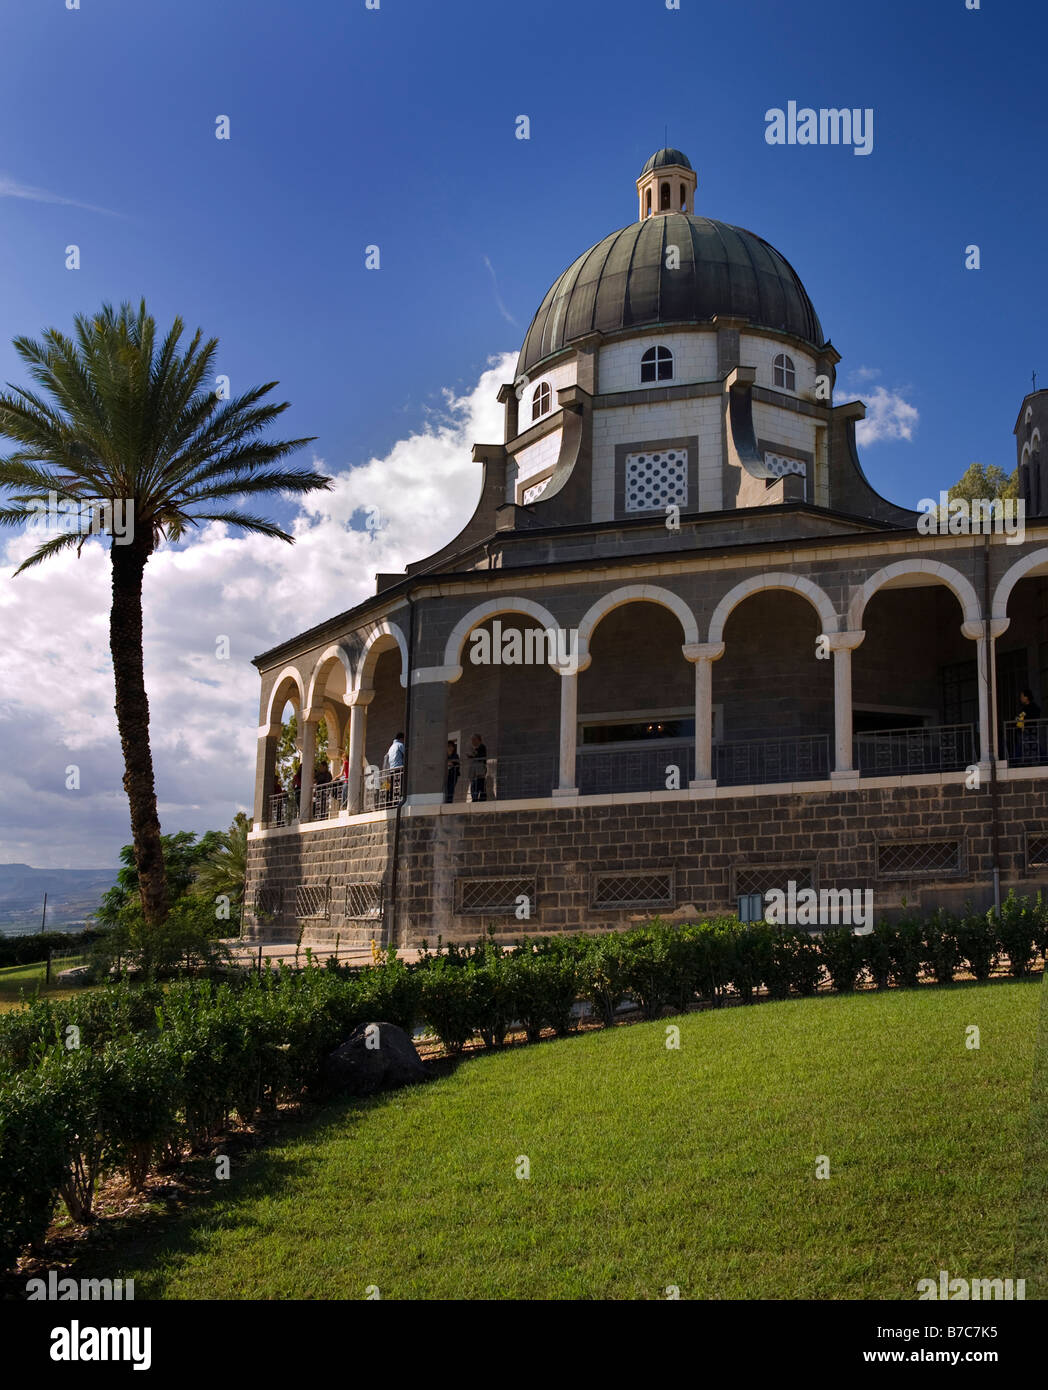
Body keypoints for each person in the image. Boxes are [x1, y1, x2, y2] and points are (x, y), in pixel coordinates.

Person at [469, 733, 488, 801]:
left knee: (480, 784)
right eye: (472, 740)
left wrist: (473, 754)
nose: (472, 741)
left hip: (480, 770)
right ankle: (475, 798)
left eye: (474, 739)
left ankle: (481, 798)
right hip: (475, 771)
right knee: (475, 785)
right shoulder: (476, 748)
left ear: (479, 740)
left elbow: (481, 757)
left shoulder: (482, 747)